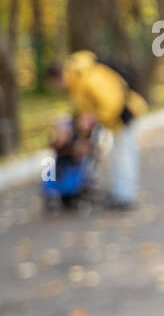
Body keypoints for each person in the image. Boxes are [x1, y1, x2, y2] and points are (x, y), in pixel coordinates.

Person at [45, 50, 148, 209]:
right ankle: (120, 193)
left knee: (123, 154)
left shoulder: (90, 78)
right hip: (113, 119)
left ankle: (125, 197)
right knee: (117, 155)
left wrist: (94, 118)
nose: (59, 87)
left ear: (61, 76)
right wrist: (82, 133)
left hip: (125, 113)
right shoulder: (76, 83)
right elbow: (82, 111)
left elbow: (112, 104)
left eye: (57, 84)